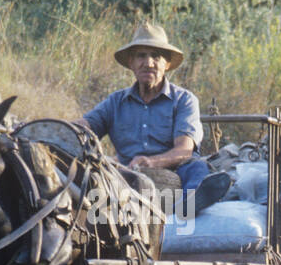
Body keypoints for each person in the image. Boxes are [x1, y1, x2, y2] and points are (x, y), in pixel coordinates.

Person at [74, 22, 231, 215]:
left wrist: (152, 162)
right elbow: (84, 127)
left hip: (176, 171)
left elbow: (184, 150)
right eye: (141, 56)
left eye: (155, 56)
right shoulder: (115, 102)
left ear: (166, 64)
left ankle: (186, 207)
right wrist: (54, 129)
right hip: (126, 173)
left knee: (198, 167)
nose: (148, 63)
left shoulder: (183, 100)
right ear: (131, 63)